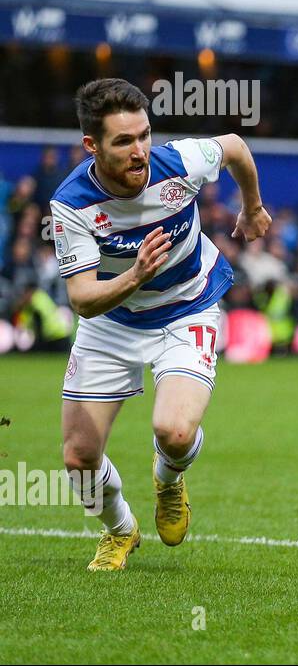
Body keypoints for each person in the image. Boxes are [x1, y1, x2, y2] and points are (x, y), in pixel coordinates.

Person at [50, 78, 271, 571]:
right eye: (123, 141)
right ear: (93, 146)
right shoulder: (72, 204)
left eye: (144, 135)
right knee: (78, 458)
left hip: (187, 307)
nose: (139, 151)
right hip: (112, 322)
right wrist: (136, 275)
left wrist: (251, 206)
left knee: (173, 432)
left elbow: (235, 146)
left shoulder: (179, 162)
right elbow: (83, 300)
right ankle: (120, 529)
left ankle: (168, 481)